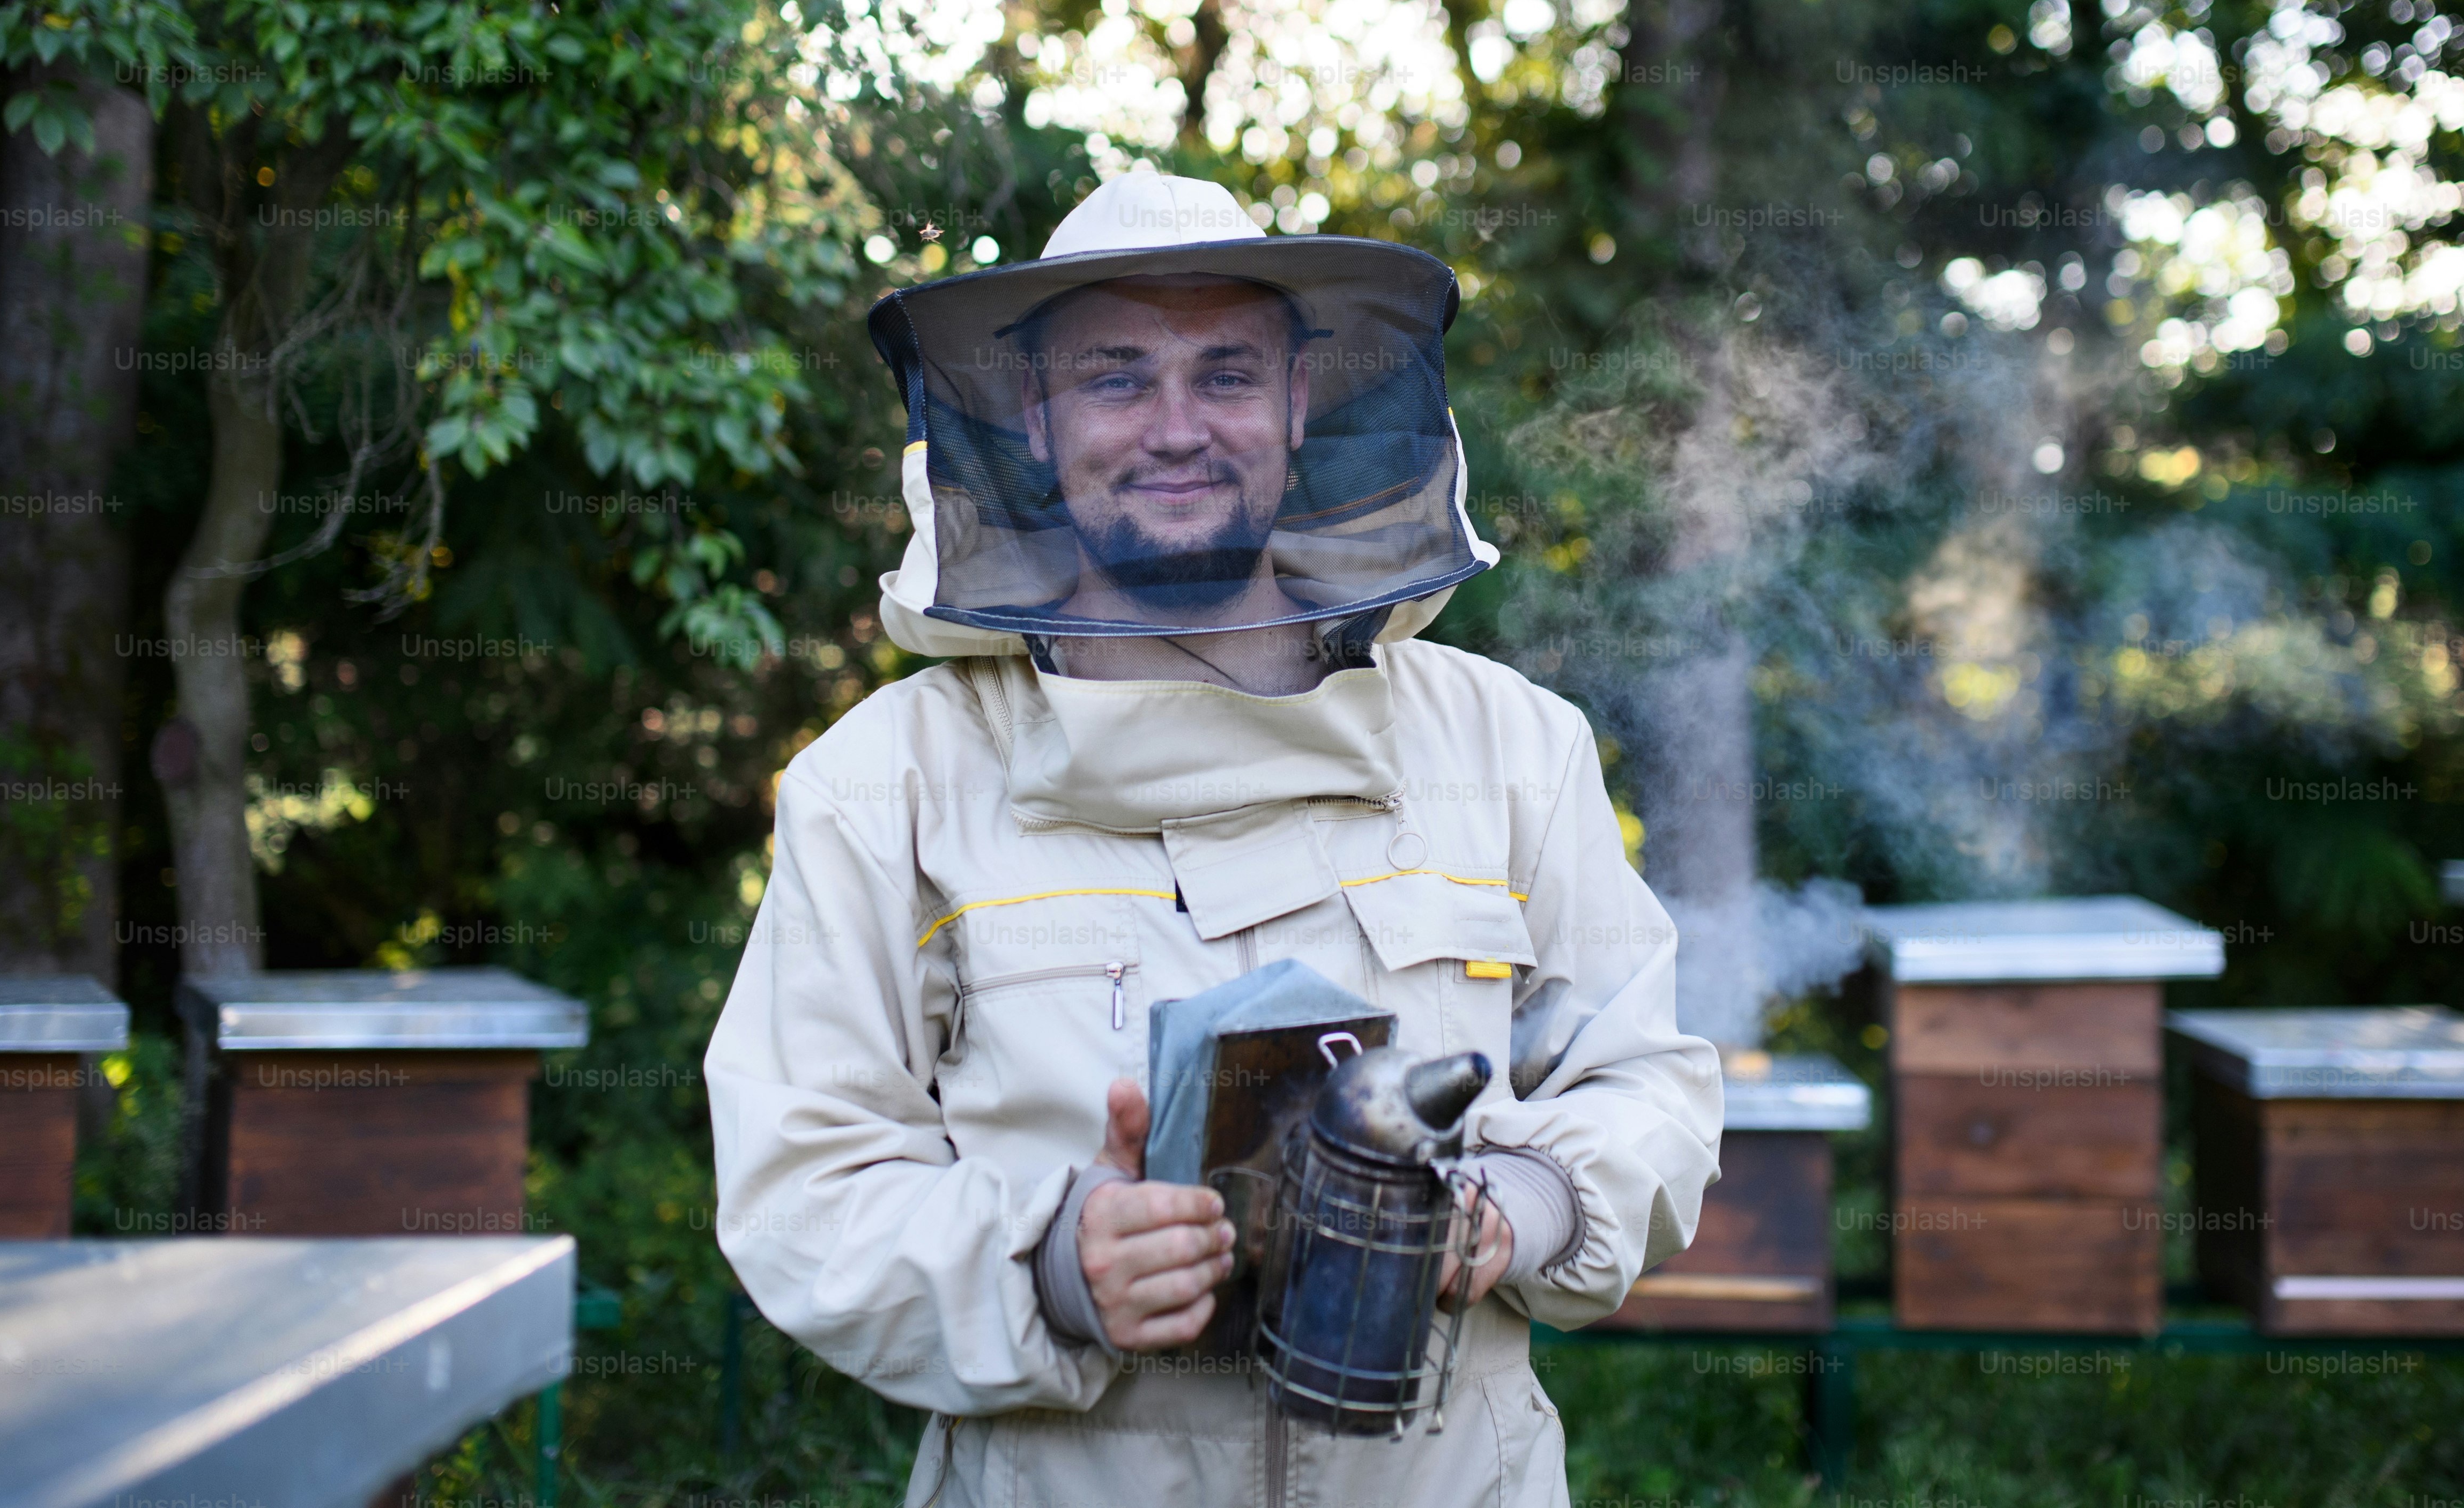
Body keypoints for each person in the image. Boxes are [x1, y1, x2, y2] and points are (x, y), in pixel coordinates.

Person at [705, 174, 1723, 1506]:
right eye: (1117, 377)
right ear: (1035, 415)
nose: (1177, 428)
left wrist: (1506, 1216)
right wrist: (1063, 1259)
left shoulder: (1508, 745)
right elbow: (803, 1184)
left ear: (1298, 405)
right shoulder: (885, 782)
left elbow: (1643, 1085)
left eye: (1226, 373)